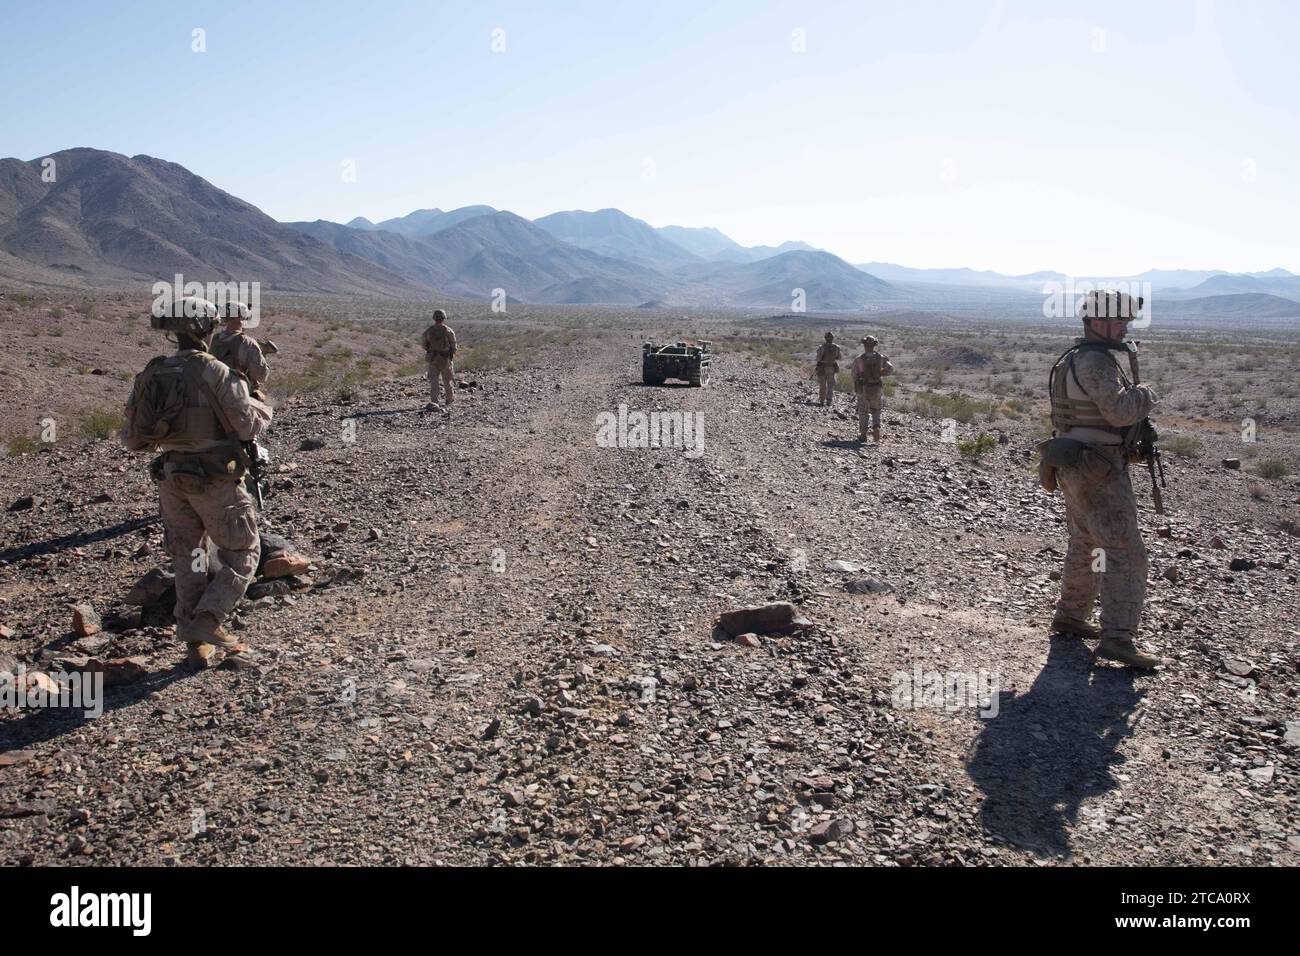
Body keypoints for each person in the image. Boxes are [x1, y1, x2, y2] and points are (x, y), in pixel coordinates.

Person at [122, 297, 272, 668]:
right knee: (242, 553)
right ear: (205, 329)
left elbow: (132, 439)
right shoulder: (214, 371)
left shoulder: (153, 372)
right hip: (215, 477)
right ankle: (208, 620)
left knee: (189, 556)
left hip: (172, 477)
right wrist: (262, 408)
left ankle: (194, 644)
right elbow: (246, 425)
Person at [1043, 290, 1159, 669]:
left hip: (1077, 462)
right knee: (1125, 551)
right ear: (1095, 323)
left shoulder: (1075, 358)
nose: (1124, 327)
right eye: (1118, 321)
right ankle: (1118, 637)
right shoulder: (1096, 362)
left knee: (1088, 543)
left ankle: (1072, 616)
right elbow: (1119, 411)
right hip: (1100, 468)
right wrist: (1146, 395)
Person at [210, 301, 269, 393]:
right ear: (240, 317)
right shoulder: (248, 343)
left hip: (212, 392)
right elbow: (261, 376)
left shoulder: (213, 339)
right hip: (237, 395)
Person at [851, 335, 894, 443]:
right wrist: (881, 373)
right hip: (876, 387)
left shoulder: (859, 359)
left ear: (864, 345)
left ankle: (863, 434)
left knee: (863, 412)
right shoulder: (881, 358)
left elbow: (854, 375)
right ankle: (876, 427)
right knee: (876, 410)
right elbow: (890, 368)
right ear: (875, 345)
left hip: (864, 388)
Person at [421, 309, 457, 410]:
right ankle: (449, 400)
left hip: (433, 358)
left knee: (434, 381)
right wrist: (451, 355)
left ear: (434, 318)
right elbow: (454, 346)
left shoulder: (429, 331)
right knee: (447, 380)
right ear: (444, 318)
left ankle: (434, 402)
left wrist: (431, 350)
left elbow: (424, 344)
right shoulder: (449, 331)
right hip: (445, 359)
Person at [813, 332, 842, 406]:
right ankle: (829, 401)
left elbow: (818, 358)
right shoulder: (836, 347)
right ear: (832, 338)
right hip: (831, 368)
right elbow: (839, 357)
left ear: (825, 338)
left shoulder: (821, 347)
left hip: (822, 367)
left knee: (822, 385)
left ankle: (822, 401)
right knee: (830, 385)